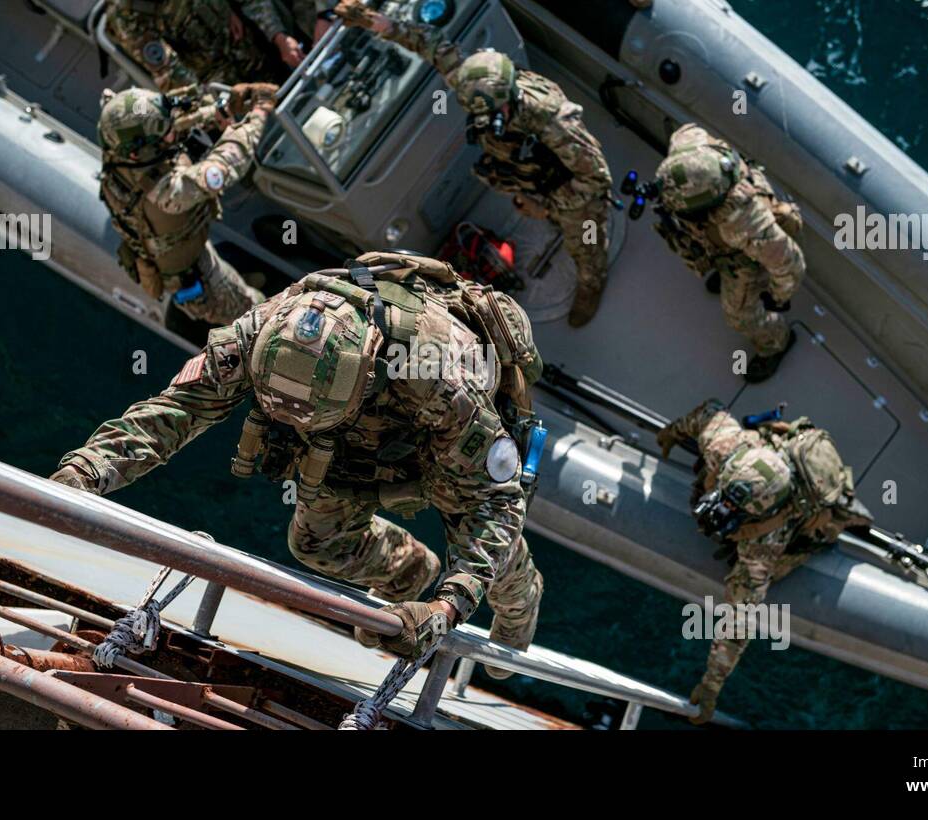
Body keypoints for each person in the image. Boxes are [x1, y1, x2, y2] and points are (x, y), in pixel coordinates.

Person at [51, 252, 544, 675]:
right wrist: (84, 474)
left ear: (368, 375)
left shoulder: (443, 380)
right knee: (316, 543)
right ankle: (409, 572)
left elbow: (492, 507)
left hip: (435, 446)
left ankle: (519, 605)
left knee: (486, 548)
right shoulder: (266, 328)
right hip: (351, 441)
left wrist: (446, 607)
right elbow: (178, 411)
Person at [335, 1, 615, 327]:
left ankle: (593, 278)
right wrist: (374, 22)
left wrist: (549, 208)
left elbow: (596, 178)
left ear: (511, 98)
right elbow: (431, 45)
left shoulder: (552, 120)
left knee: (586, 236)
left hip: (569, 187)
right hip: (528, 171)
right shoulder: (476, 81)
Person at [658, 399, 872, 722]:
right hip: (769, 458)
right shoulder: (728, 447)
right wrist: (671, 432)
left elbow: (738, 625)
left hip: (801, 506)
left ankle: (837, 515)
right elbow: (707, 414)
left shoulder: (764, 544)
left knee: (803, 546)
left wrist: (710, 686)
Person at [97, 84, 276, 326]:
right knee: (258, 318)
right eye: (164, 135)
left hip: (185, 246)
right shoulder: (168, 193)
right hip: (197, 278)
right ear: (141, 152)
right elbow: (228, 161)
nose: (171, 133)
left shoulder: (118, 143)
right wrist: (259, 113)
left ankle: (240, 283)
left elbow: (166, 124)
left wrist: (220, 109)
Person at [653, 124, 806, 382]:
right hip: (724, 237)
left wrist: (777, 297)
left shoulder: (743, 222)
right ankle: (723, 271)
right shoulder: (689, 145)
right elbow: (686, 129)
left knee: (739, 315)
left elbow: (790, 265)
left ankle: (776, 342)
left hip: (744, 257)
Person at [105, 0, 300, 92]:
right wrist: (219, 106)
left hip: (263, 55)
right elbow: (172, 75)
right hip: (229, 90)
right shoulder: (126, 13)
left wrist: (279, 37)